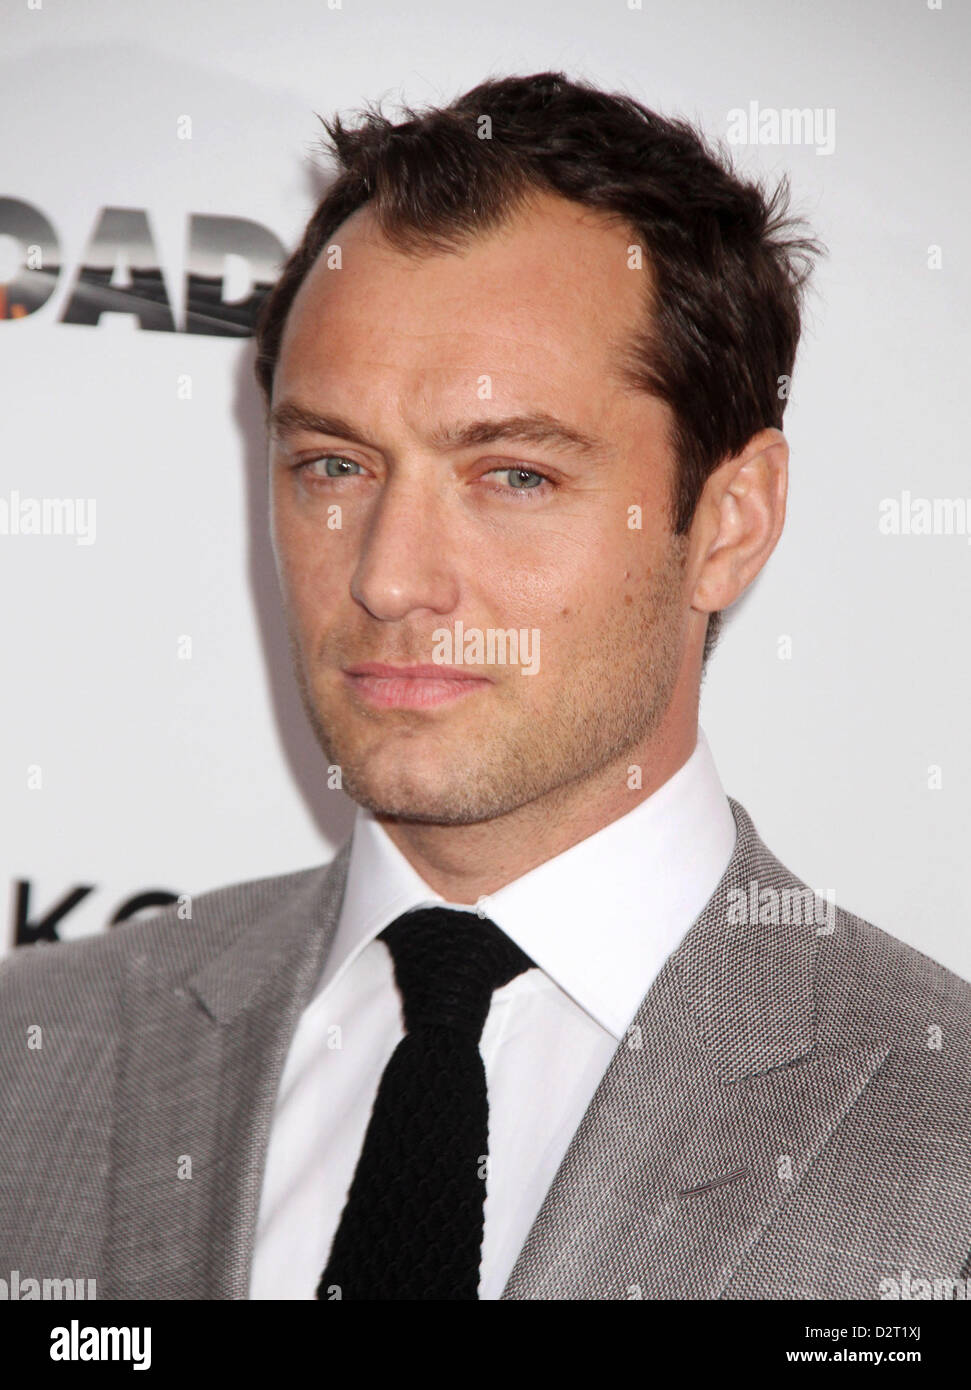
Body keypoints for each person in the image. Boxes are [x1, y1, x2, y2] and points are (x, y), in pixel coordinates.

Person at [2, 71, 969, 1303]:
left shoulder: (945, 1155)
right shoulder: (35, 1058)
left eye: (512, 475)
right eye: (335, 464)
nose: (390, 579)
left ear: (728, 522)